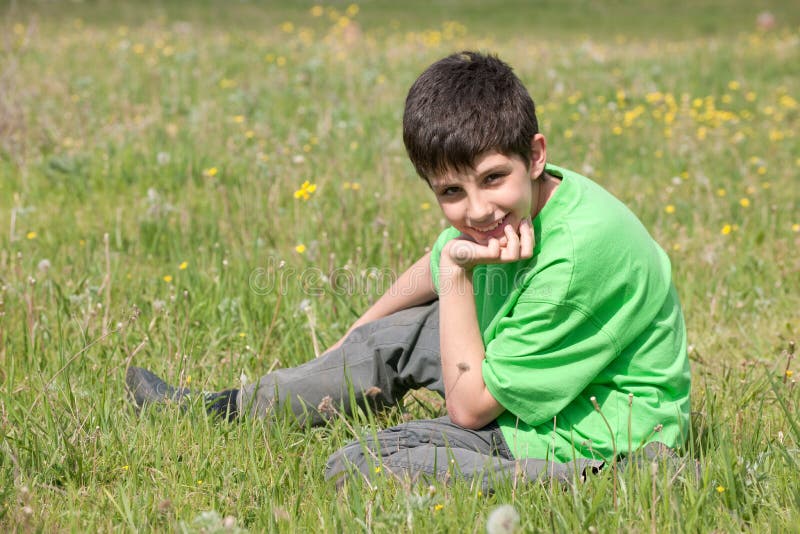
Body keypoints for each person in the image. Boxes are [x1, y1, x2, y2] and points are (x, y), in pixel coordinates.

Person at [127, 51, 691, 490]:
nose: (477, 209)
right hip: (542, 383)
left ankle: (609, 480)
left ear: (535, 154)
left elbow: (468, 410)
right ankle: (225, 410)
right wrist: (349, 344)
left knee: (361, 464)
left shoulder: (574, 259)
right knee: (400, 330)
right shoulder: (537, 196)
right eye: (452, 190)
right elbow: (434, 260)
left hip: (592, 434)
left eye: (493, 178)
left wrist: (456, 277)